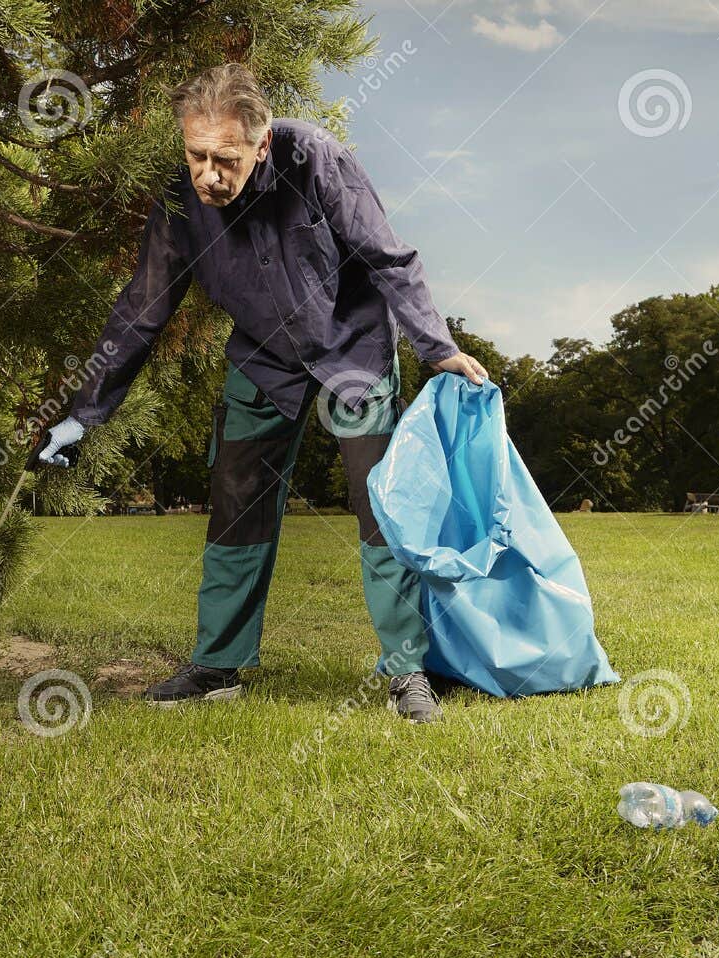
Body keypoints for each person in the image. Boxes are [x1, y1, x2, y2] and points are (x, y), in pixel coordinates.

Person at [37, 63, 487, 724]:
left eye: (226, 159)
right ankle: (217, 665)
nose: (208, 175)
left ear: (262, 143)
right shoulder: (179, 198)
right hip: (264, 358)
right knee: (235, 506)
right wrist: (84, 411)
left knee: (380, 512)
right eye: (196, 156)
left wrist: (437, 347)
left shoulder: (318, 161)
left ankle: (407, 669)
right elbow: (142, 308)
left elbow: (391, 259)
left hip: (350, 350)